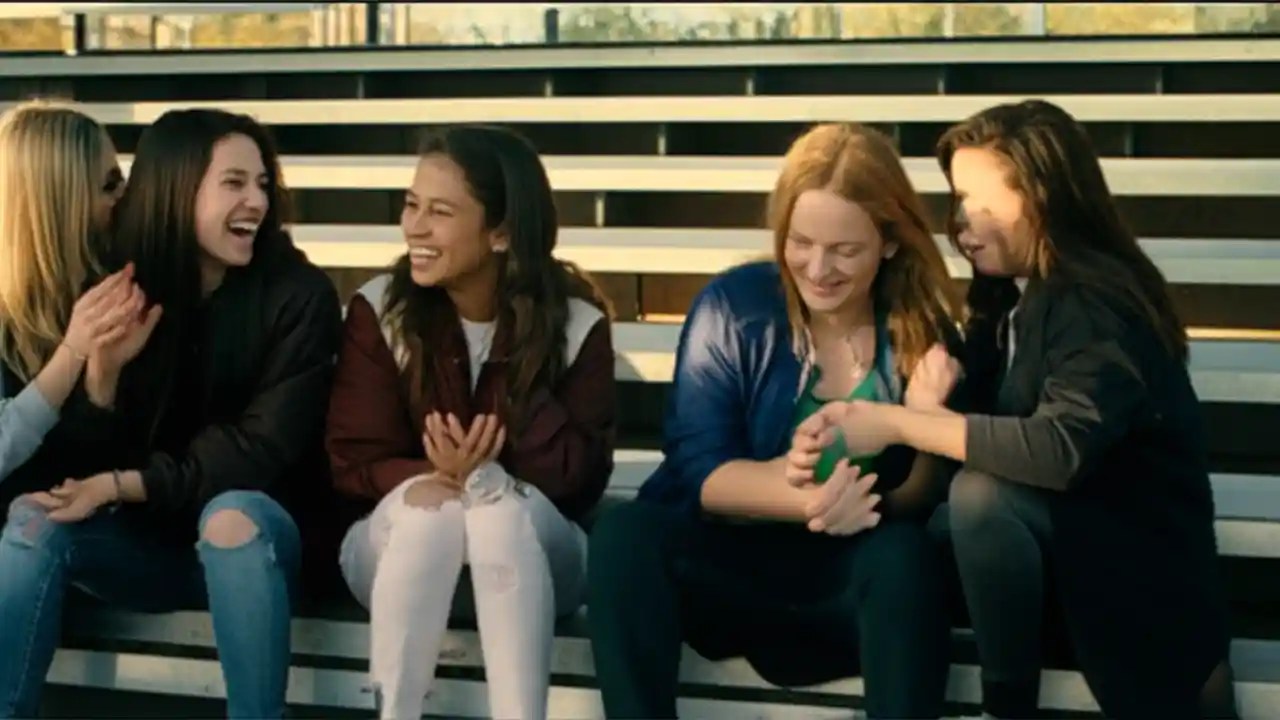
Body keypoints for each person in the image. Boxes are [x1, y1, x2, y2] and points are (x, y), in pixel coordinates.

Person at [812, 100, 1237, 719]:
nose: (963, 222)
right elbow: (968, 456)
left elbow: (1059, 449)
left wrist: (908, 421)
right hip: (1059, 576)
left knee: (983, 498)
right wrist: (928, 410)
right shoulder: (1008, 301)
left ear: (1047, 198)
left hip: (1138, 588)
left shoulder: (1096, 305)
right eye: (959, 201)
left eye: (984, 203)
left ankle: (1007, 705)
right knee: (926, 532)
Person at [586, 122, 964, 720]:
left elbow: (916, 502)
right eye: (801, 241)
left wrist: (916, 422)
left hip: (842, 581)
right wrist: (806, 497)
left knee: (904, 560)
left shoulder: (923, 332)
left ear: (889, 243)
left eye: (845, 250)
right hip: (731, 567)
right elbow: (699, 470)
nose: (818, 268)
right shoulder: (735, 307)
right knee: (625, 536)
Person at [0, 108, 343, 720]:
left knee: (231, 516)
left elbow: (257, 451)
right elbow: (84, 478)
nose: (256, 201)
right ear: (179, 188)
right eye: (234, 183)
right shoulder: (124, 290)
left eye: (262, 183)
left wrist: (125, 484)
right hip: (151, 550)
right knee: (34, 522)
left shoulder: (299, 296)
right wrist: (102, 382)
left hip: (259, 543)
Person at [326, 124, 616, 720]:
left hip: (532, 562)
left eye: (440, 212)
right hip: (397, 549)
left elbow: (577, 481)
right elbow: (353, 462)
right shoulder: (381, 309)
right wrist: (439, 474)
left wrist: (491, 463)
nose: (415, 227)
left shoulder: (576, 323)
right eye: (411, 206)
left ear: (502, 232)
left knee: (497, 513)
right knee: (434, 515)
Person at [0, 100, 141, 499]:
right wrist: (73, 352)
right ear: (61, 202)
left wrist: (102, 384)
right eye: (110, 185)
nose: (126, 197)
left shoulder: (117, 294)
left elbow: (91, 477)